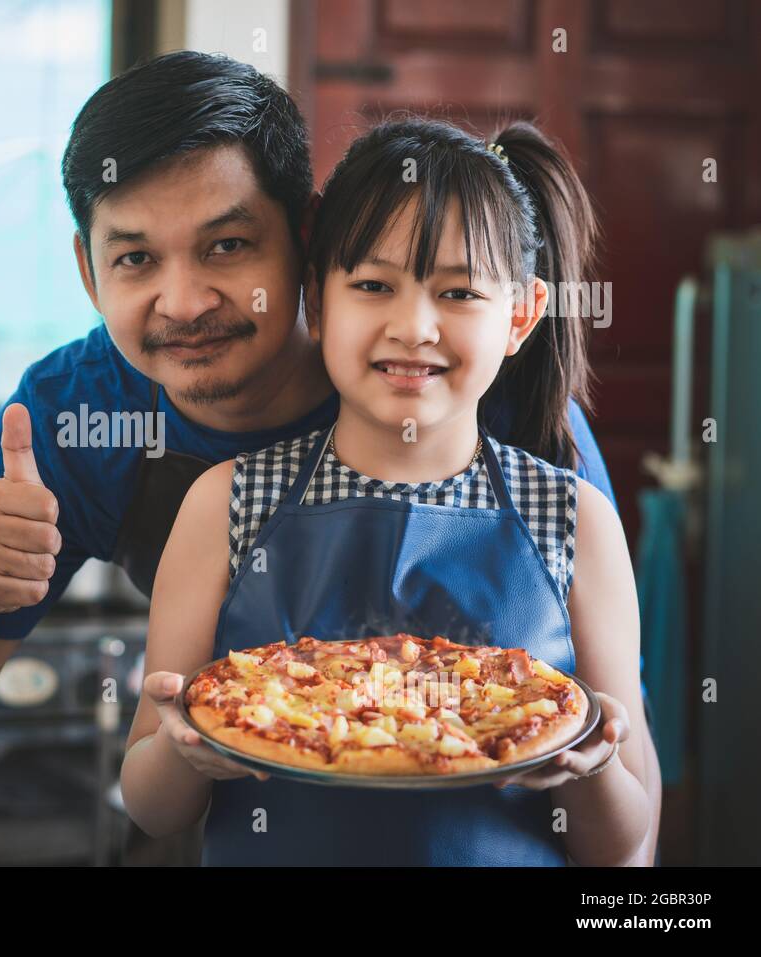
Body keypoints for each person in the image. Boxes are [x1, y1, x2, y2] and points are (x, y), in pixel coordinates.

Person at [0, 53, 617, 772]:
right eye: (135, 259)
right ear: (89, 272)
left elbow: (613, 737)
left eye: (226, 246)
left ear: (306, 241)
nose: (183, 303)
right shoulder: (71, 413)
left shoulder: (472, 384)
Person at [120, 117, 658, 865]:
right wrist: (185, 746)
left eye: (460, 291)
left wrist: (589, 764)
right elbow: (153, 806)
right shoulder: (224, 503)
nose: (413, 326)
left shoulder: (574, 519)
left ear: (522, 315)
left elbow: (628, 843)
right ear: (316, 297)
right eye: (374, 285)